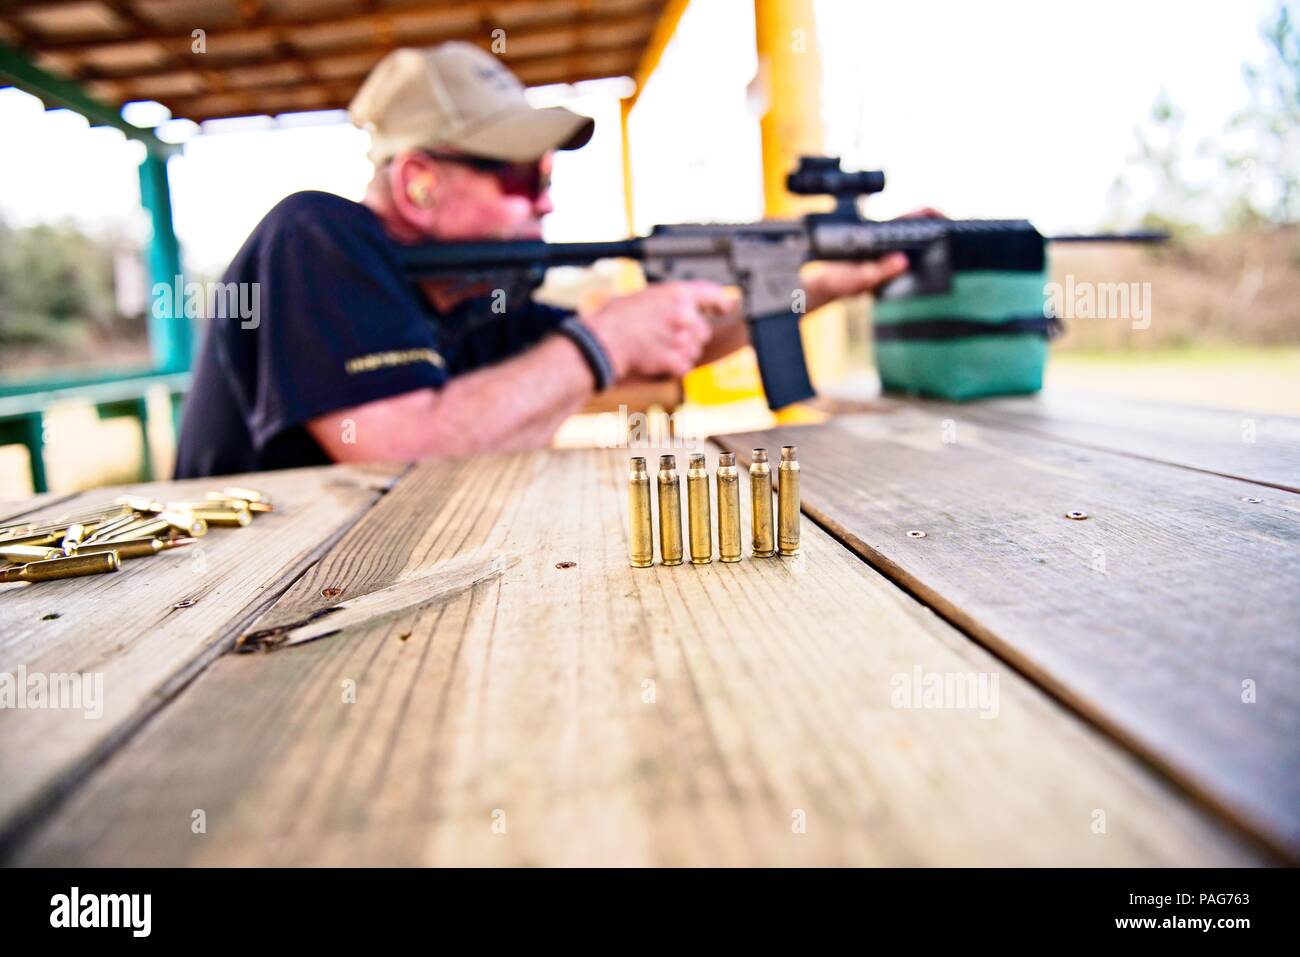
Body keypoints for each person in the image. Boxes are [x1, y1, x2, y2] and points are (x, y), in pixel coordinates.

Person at [174, 42, 913, 478]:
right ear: (418, 183)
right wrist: (604, 337)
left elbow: (651, 364)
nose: (546, 204)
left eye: (548, 181)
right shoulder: (316, 236)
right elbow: (397, 448)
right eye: (523, 178)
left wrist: (816, 286)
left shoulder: (467, 300)